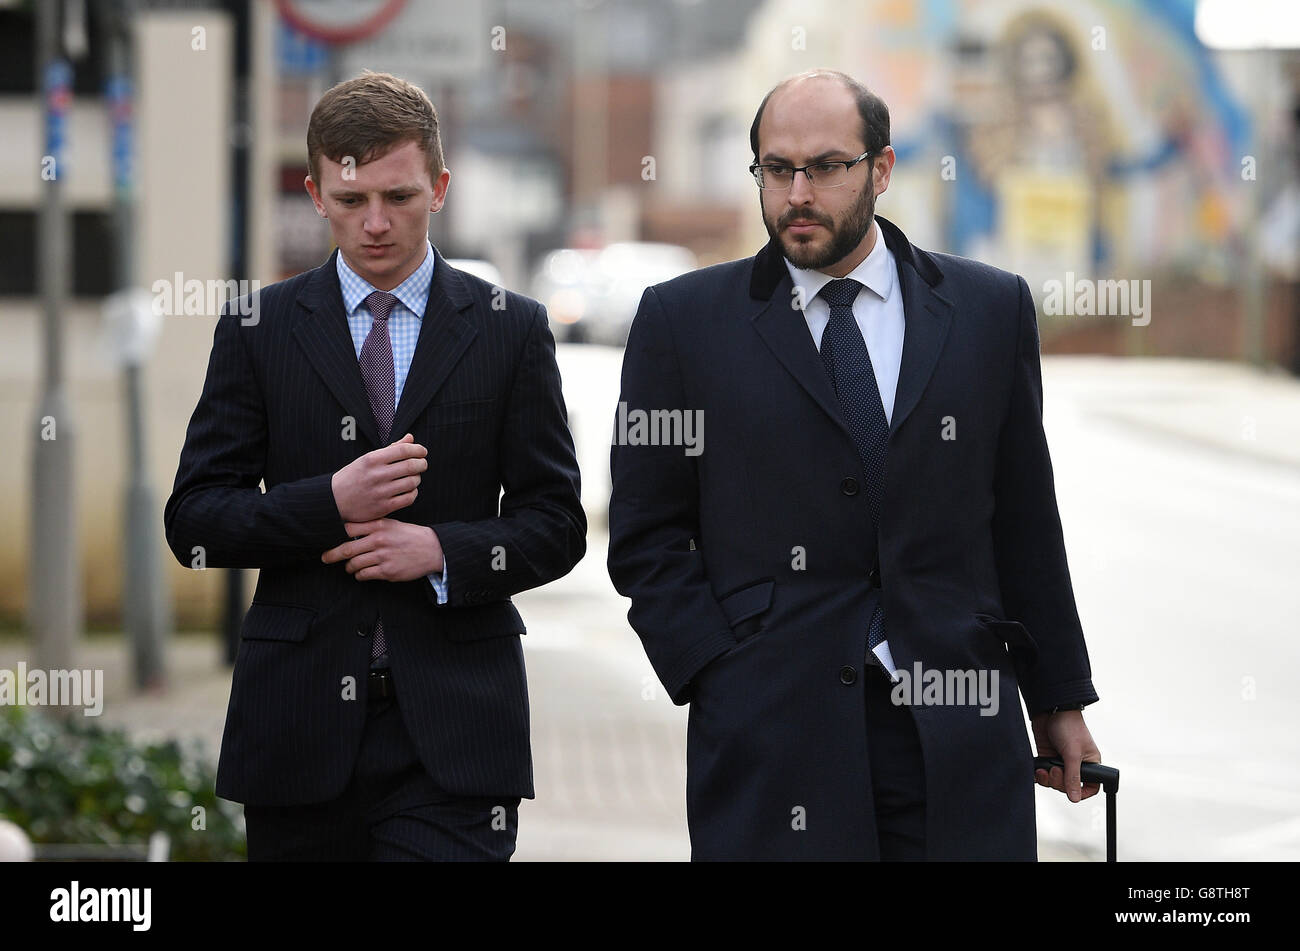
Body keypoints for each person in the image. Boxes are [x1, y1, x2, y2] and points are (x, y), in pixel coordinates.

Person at [607, 69, 1102, 860]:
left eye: (826, 166)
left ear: (881, 169)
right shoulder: (683, 322)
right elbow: (646, 533)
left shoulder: (989, 310)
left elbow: (1024, 521)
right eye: (777, 169)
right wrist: (720, 674)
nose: (798, 192)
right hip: (774, 739)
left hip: (956, 734)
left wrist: (1060, 699)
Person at [164, 72, 586, 861]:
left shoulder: (511, 331)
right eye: (352, 201)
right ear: (316, 192)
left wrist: (440, 552)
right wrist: (328, 501)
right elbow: (193, 519)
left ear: (441, 186)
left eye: (400, 197)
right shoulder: (260, 328)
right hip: (296, 730)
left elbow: (558, 525)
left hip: (456, 736)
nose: (377, 223)